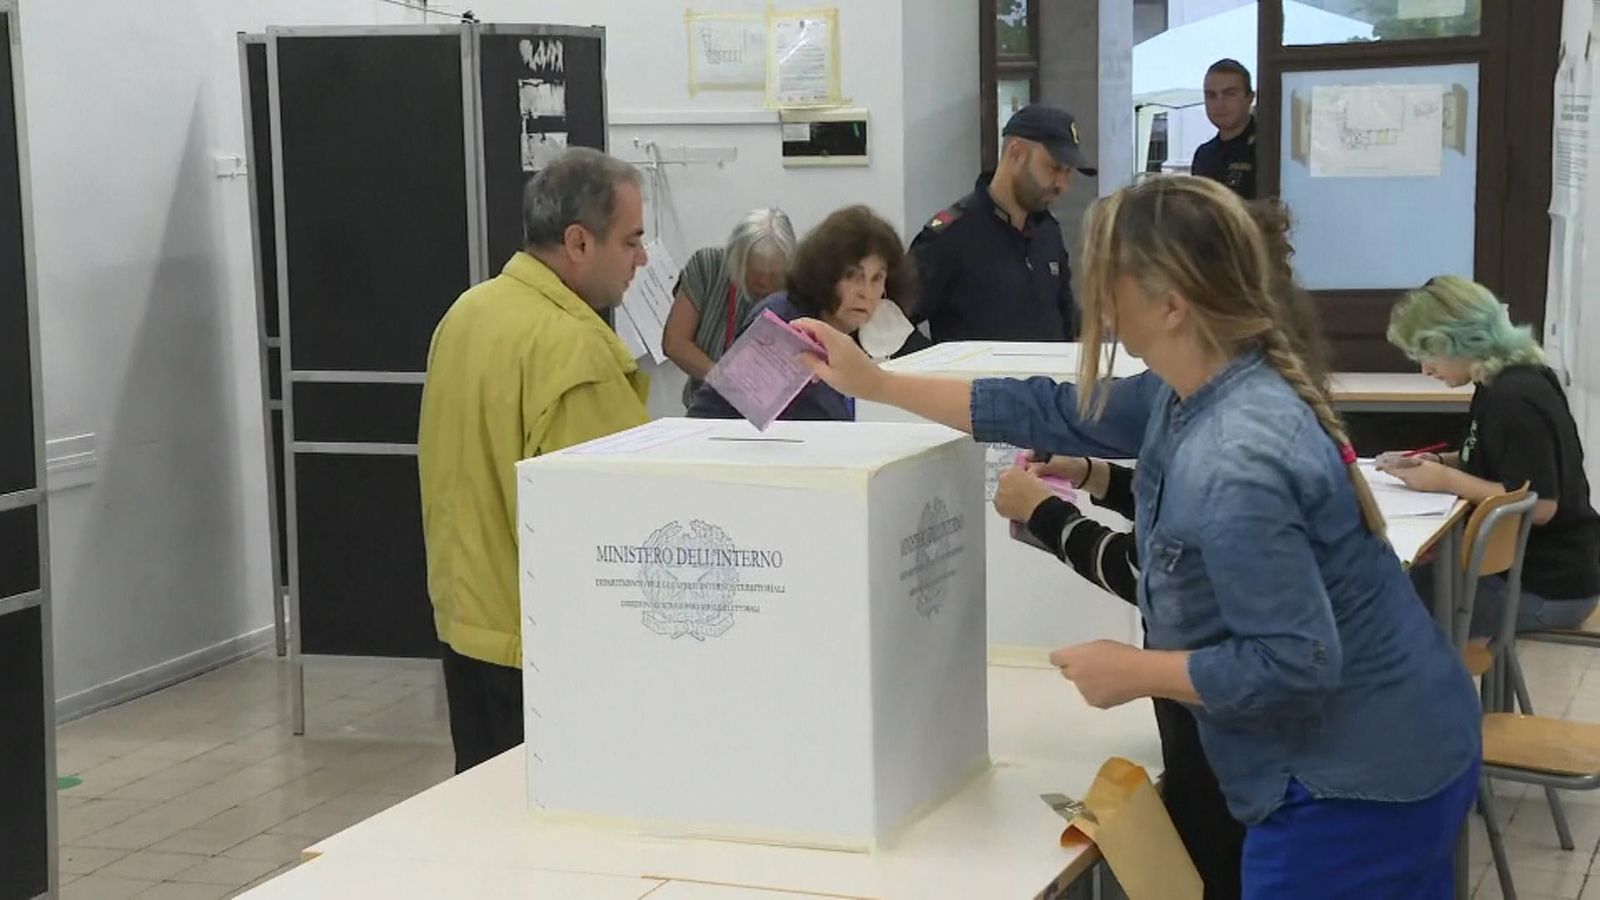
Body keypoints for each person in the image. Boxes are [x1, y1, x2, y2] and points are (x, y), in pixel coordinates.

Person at [792, 176, 1481, 897]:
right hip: (1396, 747)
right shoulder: (1192, 386)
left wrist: (1135, 671)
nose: (1096, 301)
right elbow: (1043, 408)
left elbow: (1295, 663)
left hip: (1358, 784)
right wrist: (879, 385)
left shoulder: (1237, 455)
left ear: (1172, 303)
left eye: (1108, 280)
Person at [990, 197, 1316, 900]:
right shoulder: (1218, 395)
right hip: (1227, 734)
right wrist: (1093, 475)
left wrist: (1045, 516)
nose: (1107, 316)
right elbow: (1179, 525)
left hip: (1236, 744)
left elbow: (1156, 567)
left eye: (1117, 288)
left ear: (1177, 298)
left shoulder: (1233, 433)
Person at [418, 148, 651, 773]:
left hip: (467, 624)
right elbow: (613, 525)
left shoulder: (465, 314)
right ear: (579, 242)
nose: (643, 260)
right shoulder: (575, 349)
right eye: (631, 241)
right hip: (545, 648)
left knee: (492, 823)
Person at [1379, 275, 1600, 638]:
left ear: (1459, 340)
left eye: (1428, 355)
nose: (1425, 370)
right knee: (1396, 587)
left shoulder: (1514, 397)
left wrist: (1446, 481)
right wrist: (1437, 464)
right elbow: (1494, 461)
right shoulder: (1499, 382)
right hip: (1526, 578)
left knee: (1384, 606)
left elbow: (1541, 504)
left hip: (1546, 590)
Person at [687, 205, 929, 422]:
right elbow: (712, 418)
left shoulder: (877, 326)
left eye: (877, 278)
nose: (866, 293)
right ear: (825, 274)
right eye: (852, 276)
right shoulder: (786, 325)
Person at [908, 104, 1093, 343]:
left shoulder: (1047, 231)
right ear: (1016, 153)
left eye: (1068, 172)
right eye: (1054, 168)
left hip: (1050, 378)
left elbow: (1065, 318)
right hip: (975, 379)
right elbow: (890, 322)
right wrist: (932, 365)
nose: (1063, 185)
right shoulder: (951, 235)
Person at [662, 209, 797, 407]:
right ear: (737, 260)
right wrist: (725, 382)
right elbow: (674, 343)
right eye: (756, 274)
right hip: (706, 412)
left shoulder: (800, 288)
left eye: (775, 275)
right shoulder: (708, 267)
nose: (765, 283)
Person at [1191, 59, 1257, 199]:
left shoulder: (1266, 149)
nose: (1219, 104)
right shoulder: (1204, 155)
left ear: (1249, 98)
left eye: (1229, 93)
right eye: (1211, 95)